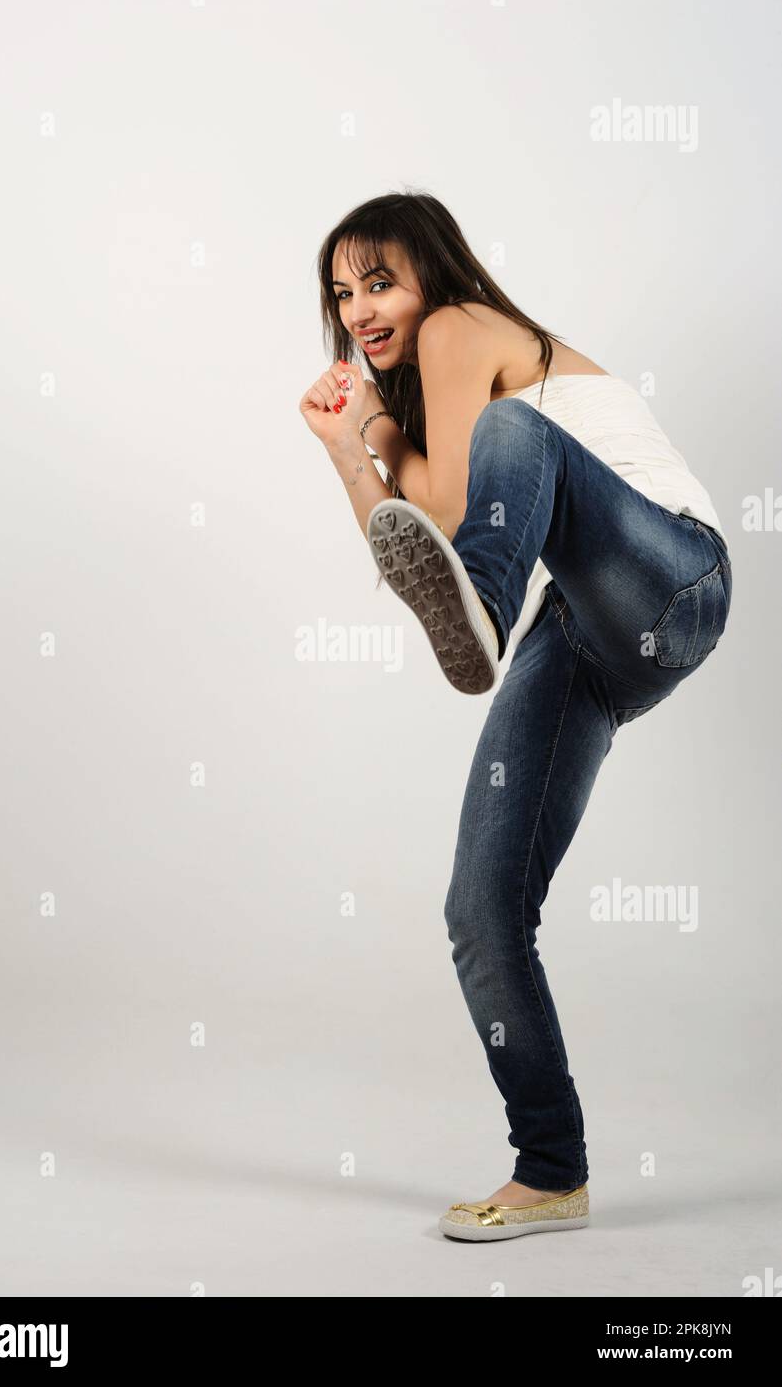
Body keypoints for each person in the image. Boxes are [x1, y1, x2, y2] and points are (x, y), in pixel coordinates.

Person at [298, 190, 732, 1242]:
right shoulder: (421, 411)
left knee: (508, 432)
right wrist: (348, 443)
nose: (359, 307)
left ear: (432, 275)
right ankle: (552, 1170)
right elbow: (420, 539)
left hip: (671, 574)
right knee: (481, 909)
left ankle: (492, 609)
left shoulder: (461, 328)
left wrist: (459, 565)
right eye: (342, 292)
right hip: (593, 632)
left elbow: (454, 513)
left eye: (380, 281)